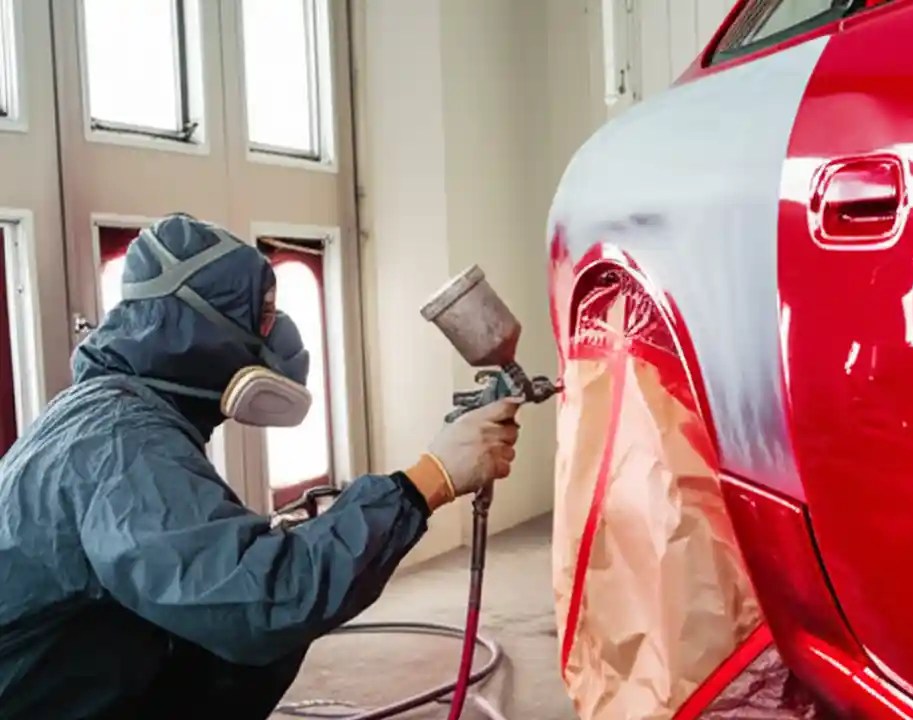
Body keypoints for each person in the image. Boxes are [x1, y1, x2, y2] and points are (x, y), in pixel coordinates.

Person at [0, 214, 522, 719]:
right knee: (256, 632)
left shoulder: (107, 411)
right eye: (264, 314)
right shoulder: (122, 445)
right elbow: (262, 600)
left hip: (65, 668)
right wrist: (428, 481)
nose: (277, 334)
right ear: (197, 325)